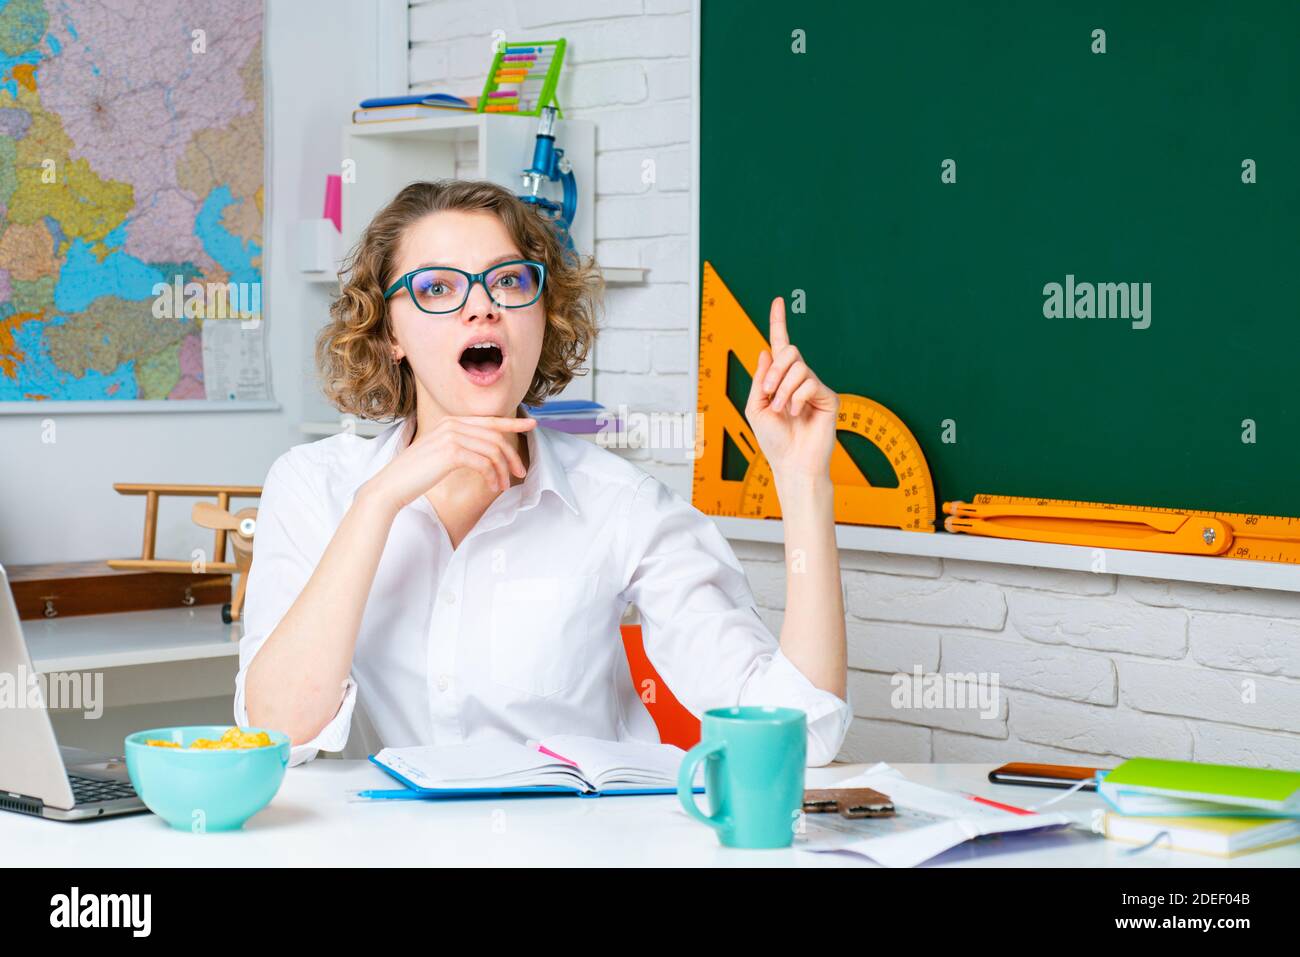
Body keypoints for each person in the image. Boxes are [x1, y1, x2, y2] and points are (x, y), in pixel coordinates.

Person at [235, 179, 851, 767]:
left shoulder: (621, 505)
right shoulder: (316, 486)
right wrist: (379, 502)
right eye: (438, 288)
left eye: (507, 280)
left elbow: (800, 734)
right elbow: (278, 732)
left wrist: (802, 483)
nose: (481, 307)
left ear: (541, 316)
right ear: (390, 331)